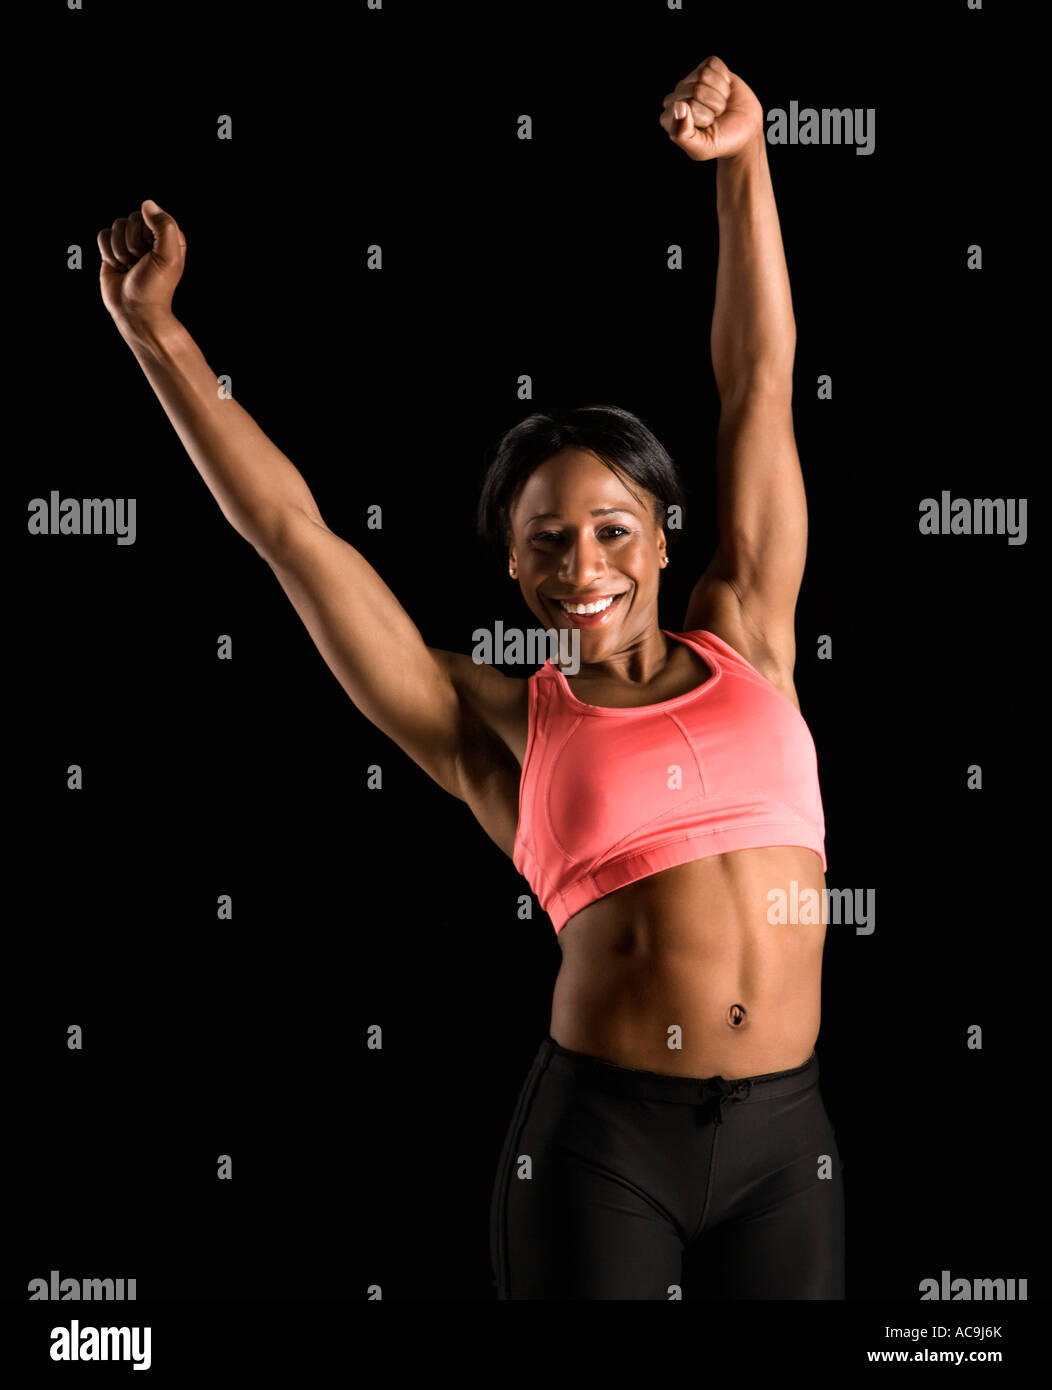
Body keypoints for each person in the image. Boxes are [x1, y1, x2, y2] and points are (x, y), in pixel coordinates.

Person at [97, 54, 844, 1300]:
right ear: (511, 568)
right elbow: (293, 532)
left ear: (664, 532)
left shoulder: (749, 634)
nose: (583, 564)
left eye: (610, 528)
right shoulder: (490, 721)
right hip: (605, 1149)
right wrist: (154, 332)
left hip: (787, 1144)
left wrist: (743, 165)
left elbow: (756, 379)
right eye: (544, 541)